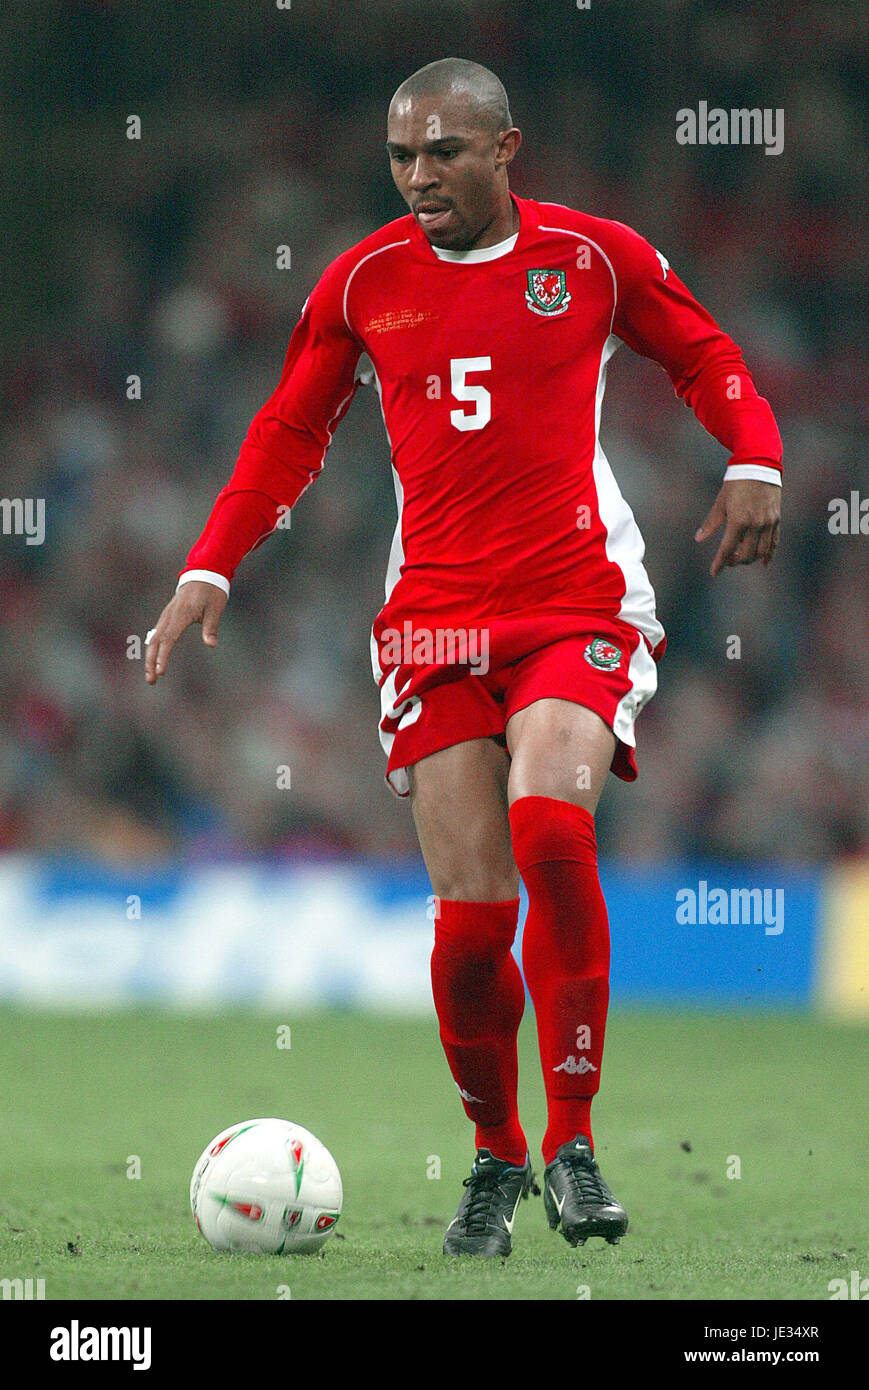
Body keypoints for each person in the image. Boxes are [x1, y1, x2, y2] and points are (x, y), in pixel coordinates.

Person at [145, 58, 782, 1258]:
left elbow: (701, 351)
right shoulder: (362, 283)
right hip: (431, 613)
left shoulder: (589, 258)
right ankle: (494, 1156)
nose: (418, 176)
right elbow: (288, 428)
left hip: (573, 594)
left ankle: (573, 1143)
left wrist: (753, 453)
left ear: (505, 149)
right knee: (473, 915)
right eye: (400, 156)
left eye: (443, 151)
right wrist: (209, 566)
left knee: (552, 823)